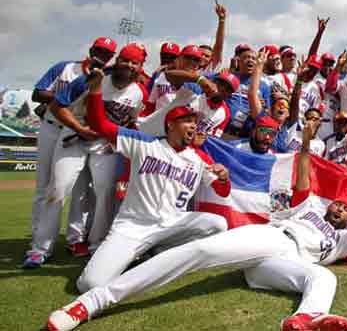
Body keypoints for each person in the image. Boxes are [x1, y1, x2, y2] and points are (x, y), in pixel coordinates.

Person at [45, 121, 347, 331]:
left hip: (285, 264)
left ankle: (304, 319)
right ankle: (92, 302)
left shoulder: (343, 240)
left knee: (326, 278)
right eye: (338, 204)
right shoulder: (306, 209)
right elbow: (302, 177)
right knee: (203, 250)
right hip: (273, 237)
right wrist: (308, 143)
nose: (341, 208)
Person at [73, 69, 230, 291]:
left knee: (217, 224)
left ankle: (158, 252)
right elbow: (100, 124)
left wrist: (224, 178)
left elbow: (222, 191)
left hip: (171, 225)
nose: (193, 125)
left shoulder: (199, 158)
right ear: (170, 125)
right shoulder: (145, 144)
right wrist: (96, 89)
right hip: (134, 225)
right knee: (90, 284)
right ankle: (143, 255)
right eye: (186, 120)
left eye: (194, 122)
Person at [23, 45, 148, 268]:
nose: (129, 66)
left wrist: (116, 140)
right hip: (74, 136)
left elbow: (130, 120)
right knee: (57, 190)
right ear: (117, 61)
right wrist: (79, 129)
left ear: (140, 68)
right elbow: (57, 105)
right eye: (126, 60)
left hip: (104, 146)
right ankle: (40, 249)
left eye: (134, 63)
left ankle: (96, 244)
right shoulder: (93, 78)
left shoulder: (138, 92)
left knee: (105, 193)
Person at [26, 37, 117, 265]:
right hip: (52, 127)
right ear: (90, 49)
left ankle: (75, 239)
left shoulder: (106, 77)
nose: (102, 55)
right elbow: (38, 93)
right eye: (99, 50)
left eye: (107, 53)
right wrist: (67, 94)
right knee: (48, 186)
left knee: (81, 190)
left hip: (81, 131)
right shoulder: (66, 68)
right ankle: (39, 240)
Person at [224, 47, 271, 139]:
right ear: (239, 61)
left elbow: (268, 113)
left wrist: (263, 107)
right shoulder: (229, 77)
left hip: (246, 133)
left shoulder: (264, 86)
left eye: (253, 58)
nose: (250, 60)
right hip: (224, 130)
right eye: (246, 57)